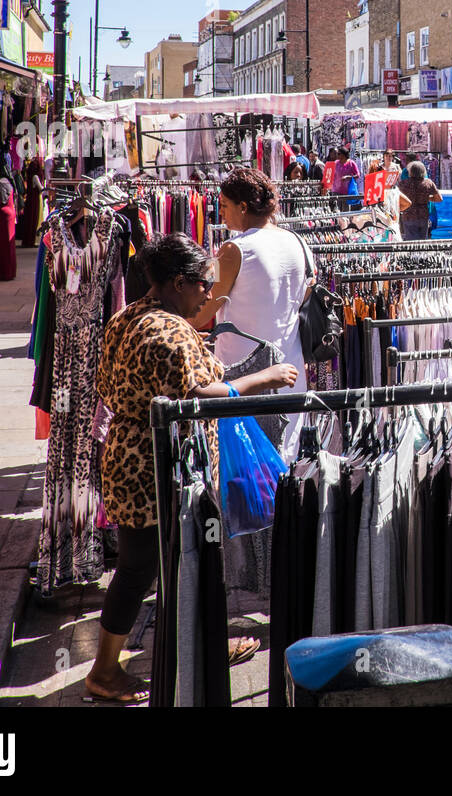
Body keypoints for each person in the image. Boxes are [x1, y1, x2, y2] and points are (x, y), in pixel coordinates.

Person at [90, 233, 298, 703]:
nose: (211, 293)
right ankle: (104, 671)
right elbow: (195, 399)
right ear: (179, 283)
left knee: (174, 562)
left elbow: (116, 381)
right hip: (155, 467)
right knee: (144, 566)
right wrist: (260, 379)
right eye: (204, 284)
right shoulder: (166, 331)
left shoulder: (129, 318)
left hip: (131, 457)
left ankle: (197, 641)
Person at [195, 169, 311, 449]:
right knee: (285, 467)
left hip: (244, 377)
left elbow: (201, 311)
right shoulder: (297, 241)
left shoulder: (232, 250)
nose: (220, 214)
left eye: (224, 206)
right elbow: (304, 295)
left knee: (245, 469)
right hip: (291, 370)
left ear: (243, 207)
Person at [398, 160, 442, 241]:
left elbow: (397, 198)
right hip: (423, 216)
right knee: (422, 243)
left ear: (410, 171)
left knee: (410, 243)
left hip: (408, 216)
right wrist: (427, 197)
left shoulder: (403, 184)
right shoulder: (428, 183)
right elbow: (439, 198)